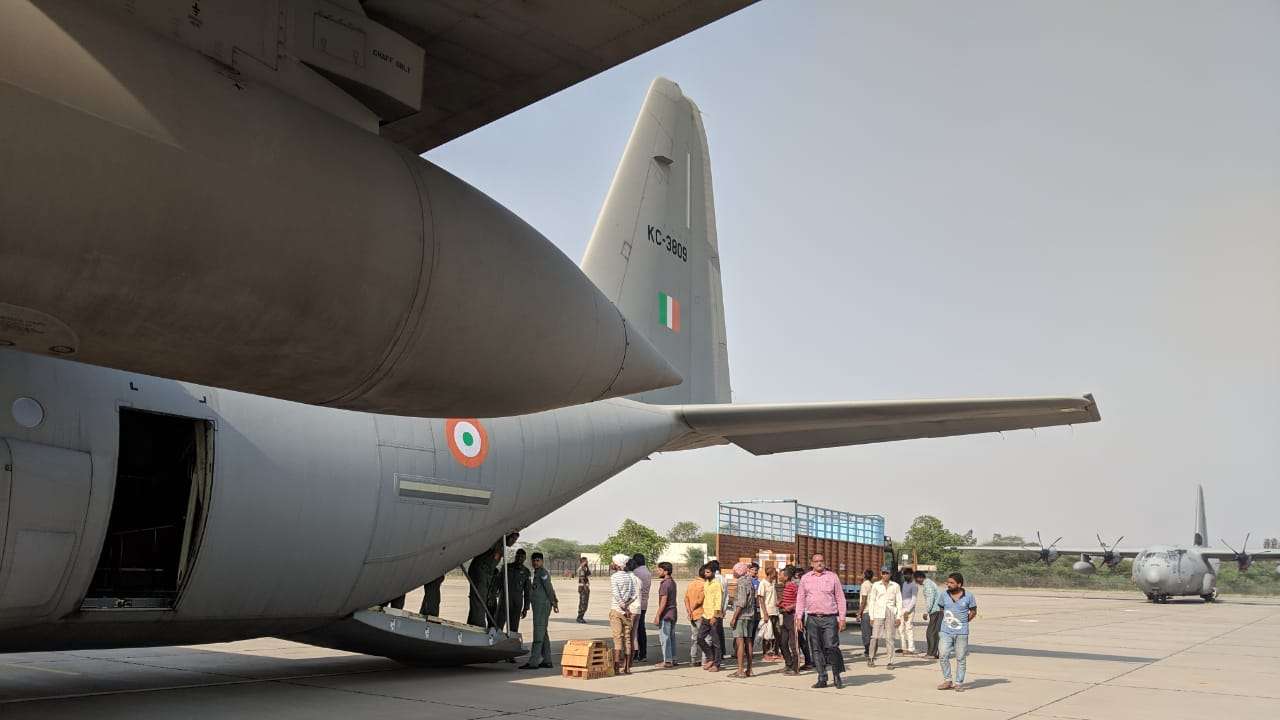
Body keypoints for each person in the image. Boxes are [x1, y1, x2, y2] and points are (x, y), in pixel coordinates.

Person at [795, 553, 846, 689]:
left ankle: (836, 675)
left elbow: (840, 598)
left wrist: (842, 618)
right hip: (812, 618)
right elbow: (800, 598)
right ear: (811, 563)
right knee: (816, 649)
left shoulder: (832, 577)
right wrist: (799, 617)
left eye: (821, 561)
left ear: (825, 562)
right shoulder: (805, 579)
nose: (819, 563)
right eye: (816, 561)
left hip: (829, 618)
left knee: (831, 647)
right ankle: (822, 677)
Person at [937, 572, 977, 691]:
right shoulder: (943, 595)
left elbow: (973, 611)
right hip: (945, 631)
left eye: (951, 583)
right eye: (948, 582)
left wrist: (963, 622)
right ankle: (947, 680)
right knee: (943, 655)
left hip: (962, 633)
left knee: (960, 658)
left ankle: (959, 683)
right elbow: (941, 609)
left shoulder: (969, 596)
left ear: (959, 584)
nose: (948, 584)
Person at [519, 552, 559, 669]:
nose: (535, 563)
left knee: (538, 634)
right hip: (539, 606)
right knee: (543, 633)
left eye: (538, 560)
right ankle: (547, 660)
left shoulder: (542, 573)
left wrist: (554, 602)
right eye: (534, 560)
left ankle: (533, 662)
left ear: (542, 561)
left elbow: (549, 588)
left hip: (542, 607)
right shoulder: (537, 573)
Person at [608, 554, 640, 674]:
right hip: (627, 612)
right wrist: (627, 606)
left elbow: (616, 594)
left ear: (617, 564)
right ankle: (627, 668)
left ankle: (616, 668)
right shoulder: (629, 577)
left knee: (617, 639)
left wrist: (622, 605)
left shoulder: (614, 577)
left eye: (613, 562)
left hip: (616, 610)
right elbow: (634, 595)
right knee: (627, 639)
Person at [866, 565, 902, 668]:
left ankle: (890, 661)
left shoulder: (895, 586)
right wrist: (871, 616)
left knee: (890, 638)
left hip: (890, 612)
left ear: (890, 574)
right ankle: (871, 657)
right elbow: (871, 601)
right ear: (881, 574)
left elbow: (899, 601)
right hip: (878, 613)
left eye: (887, 573)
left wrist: (899, 616)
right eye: (883, 573)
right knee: (875, 637)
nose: (885, 575)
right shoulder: (876, 585)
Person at [729, 562, 756, 678]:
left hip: (741, 616)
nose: (733, 572)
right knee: (748, 642)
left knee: (740, 643)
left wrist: (734, 617)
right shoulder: (750, 581)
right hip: (750, 615)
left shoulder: (741, 582)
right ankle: (749, 669)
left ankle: (740, 670)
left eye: (734, 570)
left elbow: (742, 602)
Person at [467, 539, 504, 627]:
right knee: (478, 603)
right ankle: (478, 625)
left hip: (490, 594)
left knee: (482, 608)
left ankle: (478, 625)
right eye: (513, 538)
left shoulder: (495, 571)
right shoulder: (491, 552)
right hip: (482, 581)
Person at [695, 563, 724, 672]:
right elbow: (706, 600)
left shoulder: (717, 584)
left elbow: (718, 600)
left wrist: (715, 616)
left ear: (713, 573)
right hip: (705, 615)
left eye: (708, 572)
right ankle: (710, 657)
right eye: (705, 572)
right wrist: (703, 614)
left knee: (716, 642)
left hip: (714, 616)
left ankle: (717, 664)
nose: (706, 574)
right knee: (700, 638)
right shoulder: (706, 583)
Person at [653, 561, 679, 667]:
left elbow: (664, 600)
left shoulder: (665, 584)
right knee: (671, 637)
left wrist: (658, 615)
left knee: (665, 637)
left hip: (666, 613)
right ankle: (673, 658)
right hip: (673, 612)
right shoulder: (672, 582)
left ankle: (667, 660)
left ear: (666, 571)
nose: (657, 571)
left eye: (660, 570)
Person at [777, 566, 801, 675]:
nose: (779, 576)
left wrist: (791, 606)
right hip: (785, 616)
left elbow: (800, 600)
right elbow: (787, 599)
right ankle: (788, 663)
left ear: (786, 577)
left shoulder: (793, 586)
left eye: (780, 575)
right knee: (782, 642)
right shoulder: (785, 586)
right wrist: (780, 603)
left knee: (793, 643)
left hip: (792, 617)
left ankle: (796, 668)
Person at [504, 548, 533, 633]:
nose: (519, 558)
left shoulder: (526, 572)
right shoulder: (506, 568)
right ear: (515, 556)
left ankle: (511, 643)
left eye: (522, 557)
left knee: (514, 627)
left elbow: (527, 591)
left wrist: (525, 608)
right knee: (498, 624)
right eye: (518, 556)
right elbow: (497, 584)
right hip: (504, 601)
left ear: (525, 558)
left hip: (517, 603)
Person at [631, 553, 653, 662]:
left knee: (634, 630)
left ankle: (635, 653)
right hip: (644, 603)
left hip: (635, 604)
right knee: (641, 629)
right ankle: (643, 654)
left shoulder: (635, 573)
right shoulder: (648, 572)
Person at [917, 570, 942, 658]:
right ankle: (935, 652)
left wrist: (926, 612)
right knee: (935, 632)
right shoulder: (930, 583)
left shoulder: (927, 585)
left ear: (919, 578)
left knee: (931, 633)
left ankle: (932, 653)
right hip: (938, 610)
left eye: (916, 580)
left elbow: (930, 599)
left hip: (935, 611)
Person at [684, 565, 706, 667]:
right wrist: (693, 609)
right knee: (704, 638)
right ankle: (704, 660)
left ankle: (693, 659)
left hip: (692, 615)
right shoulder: (704, 585)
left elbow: (686, 599)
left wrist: (689, 611)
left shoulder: (691, 584)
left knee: (694, 637)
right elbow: (700, 600)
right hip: (701, 613)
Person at [708, 560, 729, 660]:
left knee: (713, 633)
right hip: (720, 609)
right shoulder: (724, 579)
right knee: (719, 632)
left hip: (713, 610)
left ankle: (715, 656)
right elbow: (726, 596)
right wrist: (724, 609)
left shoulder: (713, 579)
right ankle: (721, 653)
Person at [758, 566, 780, 660]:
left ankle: (775, 652)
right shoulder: (763, 583)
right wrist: (765, 613)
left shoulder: (773, 583)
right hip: (767, 612)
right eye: (775, 573)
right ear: (770, 574)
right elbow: (761, 599)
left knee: (776, 633)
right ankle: (765, 653)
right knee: (767, 634)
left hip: (775, 611)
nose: (776, 575)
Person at [899, 568, 918, 655]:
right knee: (901, 629)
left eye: (907, 574)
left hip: (909, 611)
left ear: (911, 575)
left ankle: (911, 648)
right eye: (904, 574)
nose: (905, 576)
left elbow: (914, 600)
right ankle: (903, 647)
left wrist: (907, 610)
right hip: (902, 609)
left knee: (908, 629)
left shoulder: (914, 585)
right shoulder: (904, 584)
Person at [857, 569, 874, 656]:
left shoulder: (864, 585)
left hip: (866, 612)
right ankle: (871, 650)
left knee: (866, 633)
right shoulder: (872, 584)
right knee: (871, 633)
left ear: (864, 575)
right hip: (872, 612)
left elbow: (864, 600)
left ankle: (868, 651)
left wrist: (859, 613)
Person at [575, 556, 591, 623]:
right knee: (583, 603)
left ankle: (581, 617)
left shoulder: (585, 568)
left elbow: (589, 574)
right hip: (583, 587)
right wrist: (585, 587)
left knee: (585, 603)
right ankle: (579, 617)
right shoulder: (581, 569)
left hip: (585, 587)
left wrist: (587, 567)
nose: (587, 562)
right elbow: (581, 579)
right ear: (583, 561)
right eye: (586, 561)